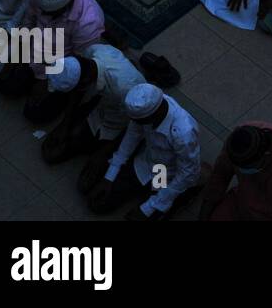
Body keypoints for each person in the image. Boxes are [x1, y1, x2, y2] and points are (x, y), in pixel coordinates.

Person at [87, 84, 203, 219]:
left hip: (164, 173)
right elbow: (131, 138)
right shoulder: (147, 108)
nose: (134, 123)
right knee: (98, 203)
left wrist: (148, 208)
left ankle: (181, 197)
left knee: (147, 213)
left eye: (138, 121)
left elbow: (187, 173)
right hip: (144, 163)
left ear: (152, 116)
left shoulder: (183, 134)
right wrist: (110, 176)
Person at [41, 46, 145, 174]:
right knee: (52, 150)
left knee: (84, 181)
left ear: (84, 82)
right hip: (101, 107)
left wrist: (105, 152)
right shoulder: (94, 51)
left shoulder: (122, 89)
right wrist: (65, 124)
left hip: (121, 123)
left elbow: (138, 125)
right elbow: (77, 92)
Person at [199, 122, 272, 221]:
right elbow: (219, 178)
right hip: (239, 203)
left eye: (247, 168)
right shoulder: (239, 138)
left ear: (266, 155)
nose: (242, 171)